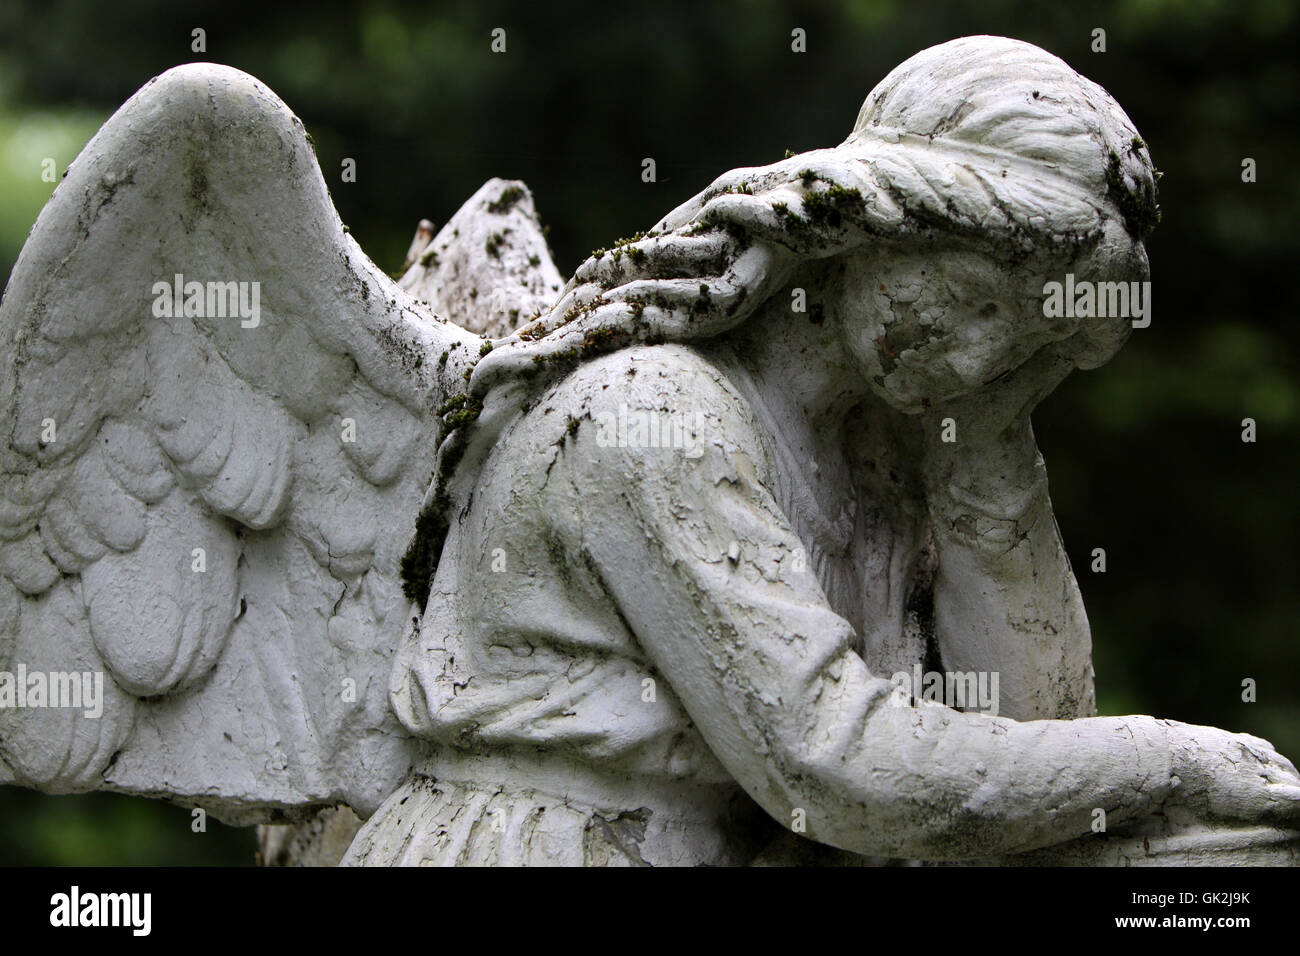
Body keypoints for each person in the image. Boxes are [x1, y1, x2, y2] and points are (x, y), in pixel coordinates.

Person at [344, 36, 1300, 866]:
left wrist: (989, 452)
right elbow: (833, 764)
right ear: (867, 221)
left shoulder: (887, 452)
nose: (978, 358)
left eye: (1024, 342)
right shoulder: (652, 412)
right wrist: (1172, 762)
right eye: (971, 299)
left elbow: (1036, 729)